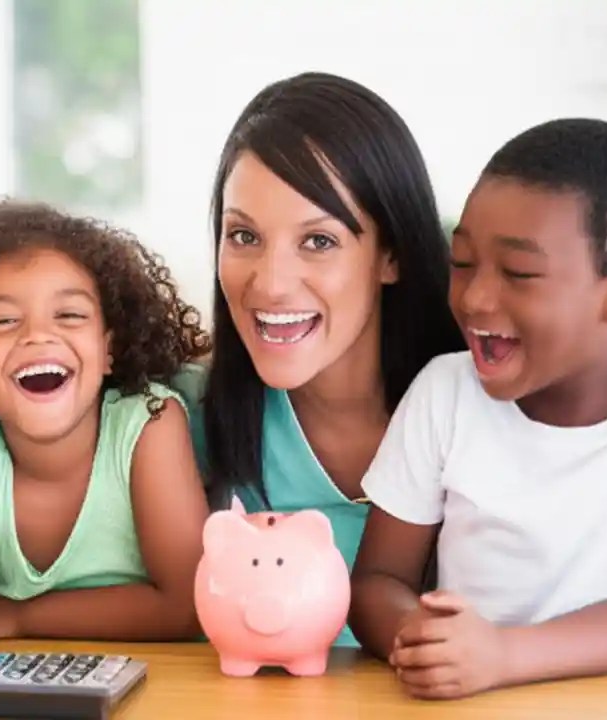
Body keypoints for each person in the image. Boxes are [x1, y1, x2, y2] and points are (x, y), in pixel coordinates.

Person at [349, 118, 607, 699]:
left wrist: (505, 655)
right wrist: (417, 635)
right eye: (462, 262)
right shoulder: (446, 394)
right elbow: (377, 581)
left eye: (519, 273)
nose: (475, 297)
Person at [0, 200, 210, 689]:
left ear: (108, 349)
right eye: (3, 321)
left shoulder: (149, 424)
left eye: (70, 314)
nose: (38, 335)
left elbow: (190, 607)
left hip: (173, 690)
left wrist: (18, 618)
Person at [186, 72, 465, 648]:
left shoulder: (479, 414)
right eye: (243, 236)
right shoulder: (183, 422)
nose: (270, 284)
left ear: (391, 255)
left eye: (318, 241)